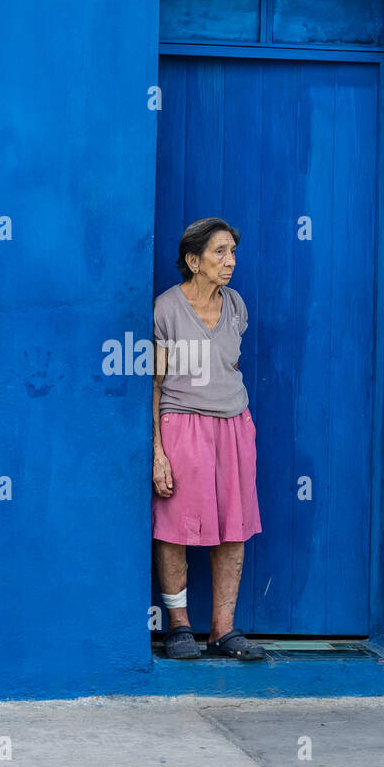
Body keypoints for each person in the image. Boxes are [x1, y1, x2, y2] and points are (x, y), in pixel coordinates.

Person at [152, 217, 264, 660]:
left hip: (234, 424)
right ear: (192, 260)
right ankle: (178, 626)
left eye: (232, 252)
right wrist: (158, 452)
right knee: (175, 526)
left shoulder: (235, 306)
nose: (230, 261)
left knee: (232, 529)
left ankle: (223, 630)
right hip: (182, 424)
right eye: (219, 252)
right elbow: (156, 384)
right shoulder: (166, 309)